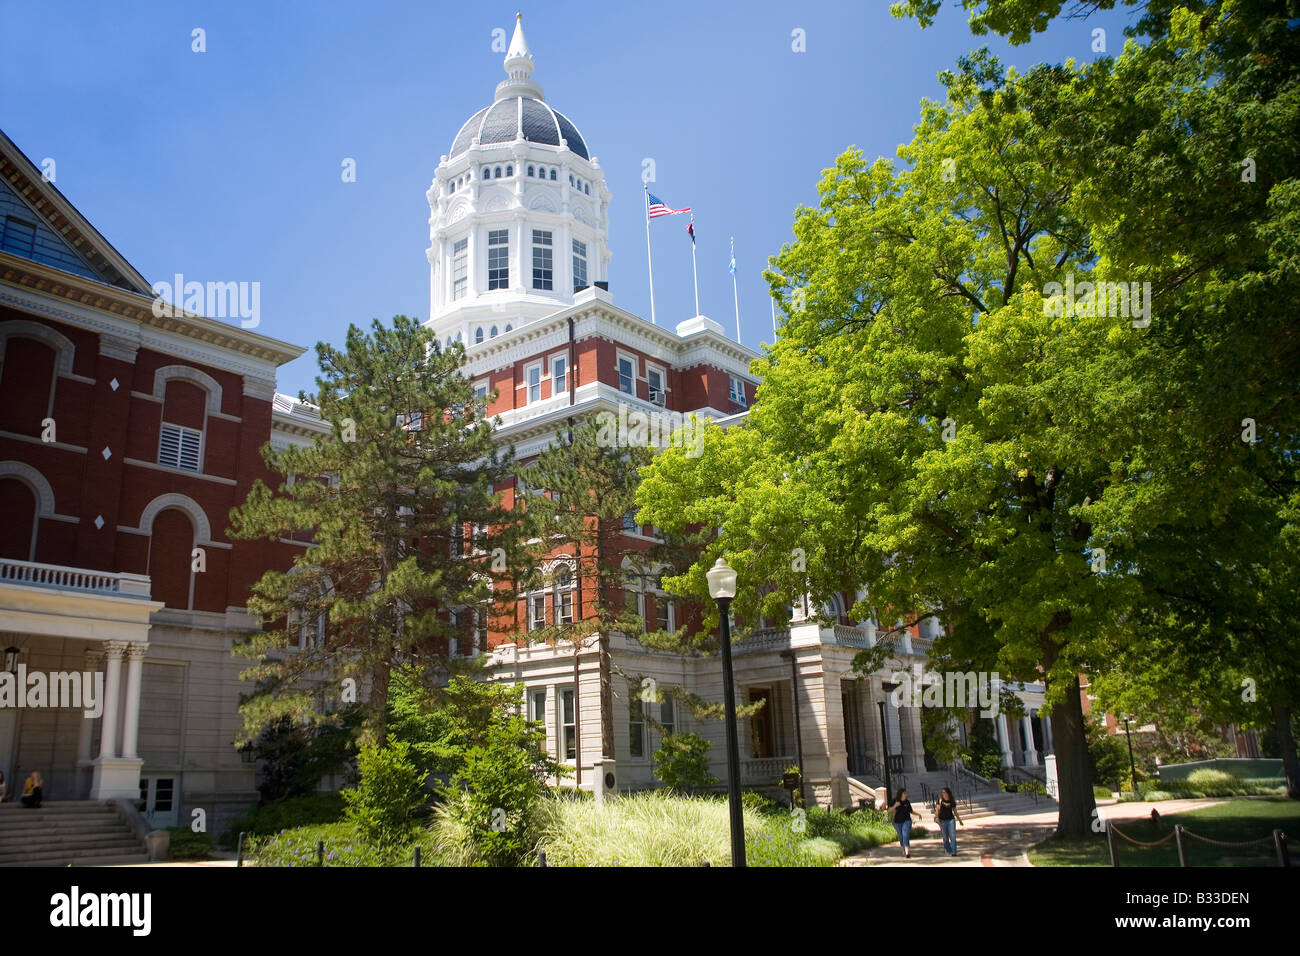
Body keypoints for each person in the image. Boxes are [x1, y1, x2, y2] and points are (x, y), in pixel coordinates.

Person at [886, 787, 920, 858]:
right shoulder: (894, 801)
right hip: (897, 822)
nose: (906, 795)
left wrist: (918, 814)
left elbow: (911, 811)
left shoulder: (907, 802)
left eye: (905, 793)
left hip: (907, 821)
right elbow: (889, 811)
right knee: (901, 836)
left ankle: (907, 852)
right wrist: (895, 806)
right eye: (904, 793)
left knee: (905, 835)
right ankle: (903, 849)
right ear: (900, 794)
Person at [936, 787, 964, 855]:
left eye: (945, 792)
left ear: (948, 793)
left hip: (951, 820)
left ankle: (954, 852)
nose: (944, 794)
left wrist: (960, 820)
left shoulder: (951, 801)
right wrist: (937, 819)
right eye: (942, 793)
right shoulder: (940, 800)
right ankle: (948, 850)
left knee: (952, 836)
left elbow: (955, 812)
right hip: (942, 820)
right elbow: (937, 811)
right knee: (945, 837)